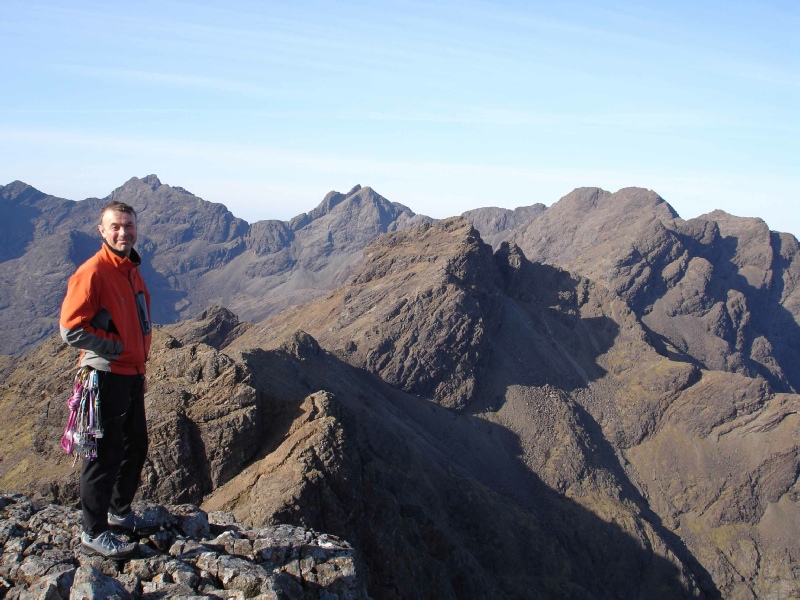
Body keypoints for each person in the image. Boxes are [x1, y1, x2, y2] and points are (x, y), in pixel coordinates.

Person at [59, 200, 158, 558]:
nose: (123, 232)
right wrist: (114, 348)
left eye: (128, 226)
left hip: (131, 374)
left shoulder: (131, 269)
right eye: (115, 226)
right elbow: (70, 329)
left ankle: (118, 513)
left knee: (136, 444)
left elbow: (139, 320)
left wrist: (139, 368)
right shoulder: (94, 271)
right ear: (102, 231)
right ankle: (93, 531)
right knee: (103, 453)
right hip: (105, 375)